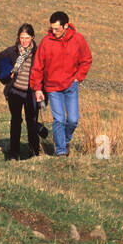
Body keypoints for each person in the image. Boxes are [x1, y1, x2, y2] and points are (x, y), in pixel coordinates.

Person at [29, 11, 92, 158]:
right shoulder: (46, 42)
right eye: (52, 29)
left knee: (73, 120)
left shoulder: (78, 39)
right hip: (52, 88)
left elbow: (87, 59)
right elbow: (37, 66)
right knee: (59, 119)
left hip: (71, 86)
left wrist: (79, 77)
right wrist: (37, 88)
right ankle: (61, 151)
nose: (53, 31)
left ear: (66, 26)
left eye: (57, 29)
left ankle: (65, 140)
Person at [0, 23, 49, 160]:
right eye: (22, 38)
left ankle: (34, 153)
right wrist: (4, 76)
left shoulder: (39, 53)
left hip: (31, 93)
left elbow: (45, 73)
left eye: (27, 38)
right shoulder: (12, 52)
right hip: (15, 92)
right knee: (16, 121)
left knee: (32, 122)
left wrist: (43, 95)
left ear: (33, 37)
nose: (24, 41)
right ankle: (13, 154)